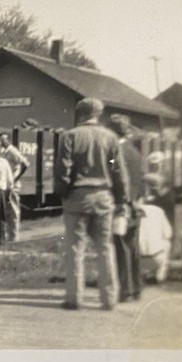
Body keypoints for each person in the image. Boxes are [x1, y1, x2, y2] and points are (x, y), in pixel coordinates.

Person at [53, 98, 128, 310]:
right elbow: (117, 169)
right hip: (103, 197)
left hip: (77, 196)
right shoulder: (111, 139)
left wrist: (64, 193)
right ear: (99, 114)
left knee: (75, 249)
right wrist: (122, 198)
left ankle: (74, 297)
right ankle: (109, 298)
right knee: (105, 247)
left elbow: (63, 170)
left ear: (79, 113)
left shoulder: (70, 137)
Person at [110, 115, 145, 302]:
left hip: (121, 205)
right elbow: (141, 178)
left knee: (120, 247)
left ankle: (125, 290)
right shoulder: (135, 152)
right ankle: (137, 288)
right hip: (136, 205)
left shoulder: (114, 153)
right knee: (133, 247)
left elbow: (112, 174)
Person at [0, 132, 30, 242]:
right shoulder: (4, 152)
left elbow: (25, 163)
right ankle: (9, 236)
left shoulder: (12, 150)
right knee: (7, 211)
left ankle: (14, 237)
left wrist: (16, 177)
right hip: (6, 184)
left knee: (14, 211)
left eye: (3, 140)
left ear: (8, 140)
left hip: (13, 184)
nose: (1, 142)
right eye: (0, 140)